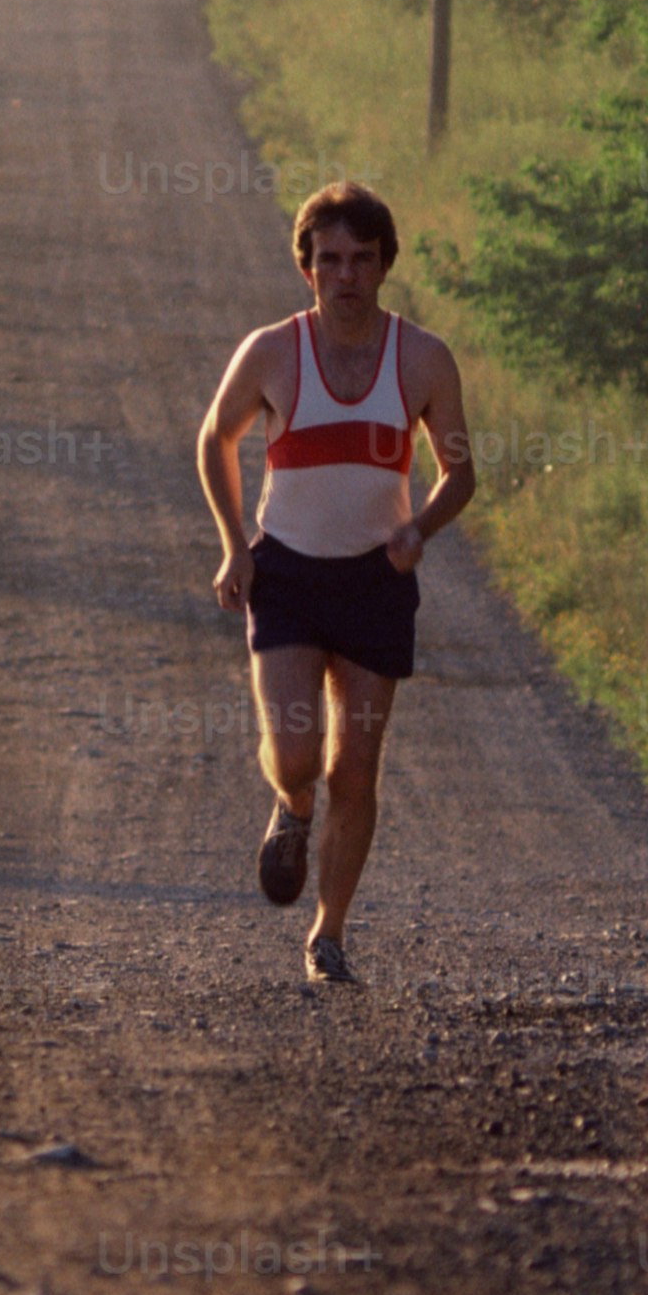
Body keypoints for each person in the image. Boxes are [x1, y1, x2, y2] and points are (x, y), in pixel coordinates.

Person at [197, 179, 475, 984]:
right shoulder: (272, 351)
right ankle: (291, 808)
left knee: (356, 764)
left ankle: (329, 934)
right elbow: (215, 441)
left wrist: (418, 527)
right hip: (285, 569)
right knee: (296, 751)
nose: (345, 274)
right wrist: (233, 547)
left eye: (361, 259)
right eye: (329, 260)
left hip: (375, 580)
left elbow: (460, 473)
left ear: (384, 265)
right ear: (307, 269)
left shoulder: (422, 358)